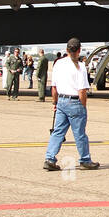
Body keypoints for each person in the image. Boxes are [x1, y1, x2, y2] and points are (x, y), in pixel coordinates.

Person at [44, 37, 99, 171]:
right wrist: (83, 106)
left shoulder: (58, 64)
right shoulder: (80, 67)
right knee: (80, 134)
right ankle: (85, 160)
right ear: (79, 50)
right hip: (75, 102)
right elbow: (82, 91)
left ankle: (50, 158)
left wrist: (55, 102)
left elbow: (54, 87)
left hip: (61, 101)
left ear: (67, 50)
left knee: (57, 132)